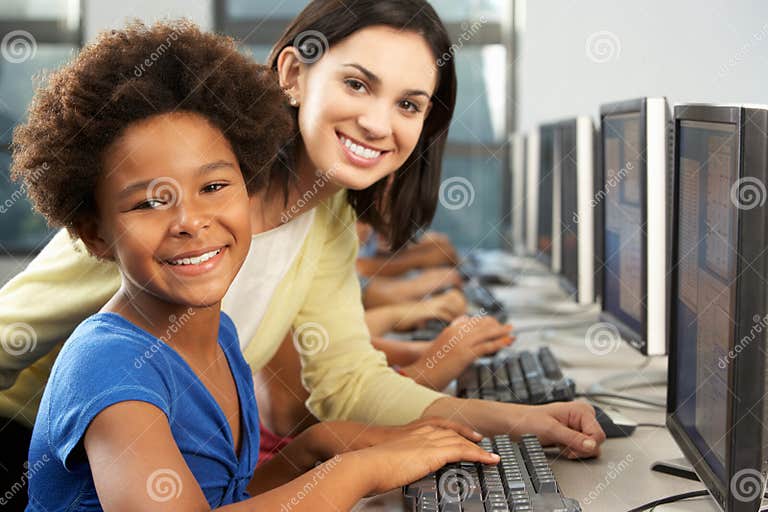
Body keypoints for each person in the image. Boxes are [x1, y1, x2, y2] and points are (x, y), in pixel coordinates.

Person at [0, 0, 603, 483]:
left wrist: (527, 423)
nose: (378, 122)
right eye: (358, 84)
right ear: (293, 74)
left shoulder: (330, 220)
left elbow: (347, 382)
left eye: (409, 104)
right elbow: (9, 335)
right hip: (36, 458)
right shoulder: (179, 202)